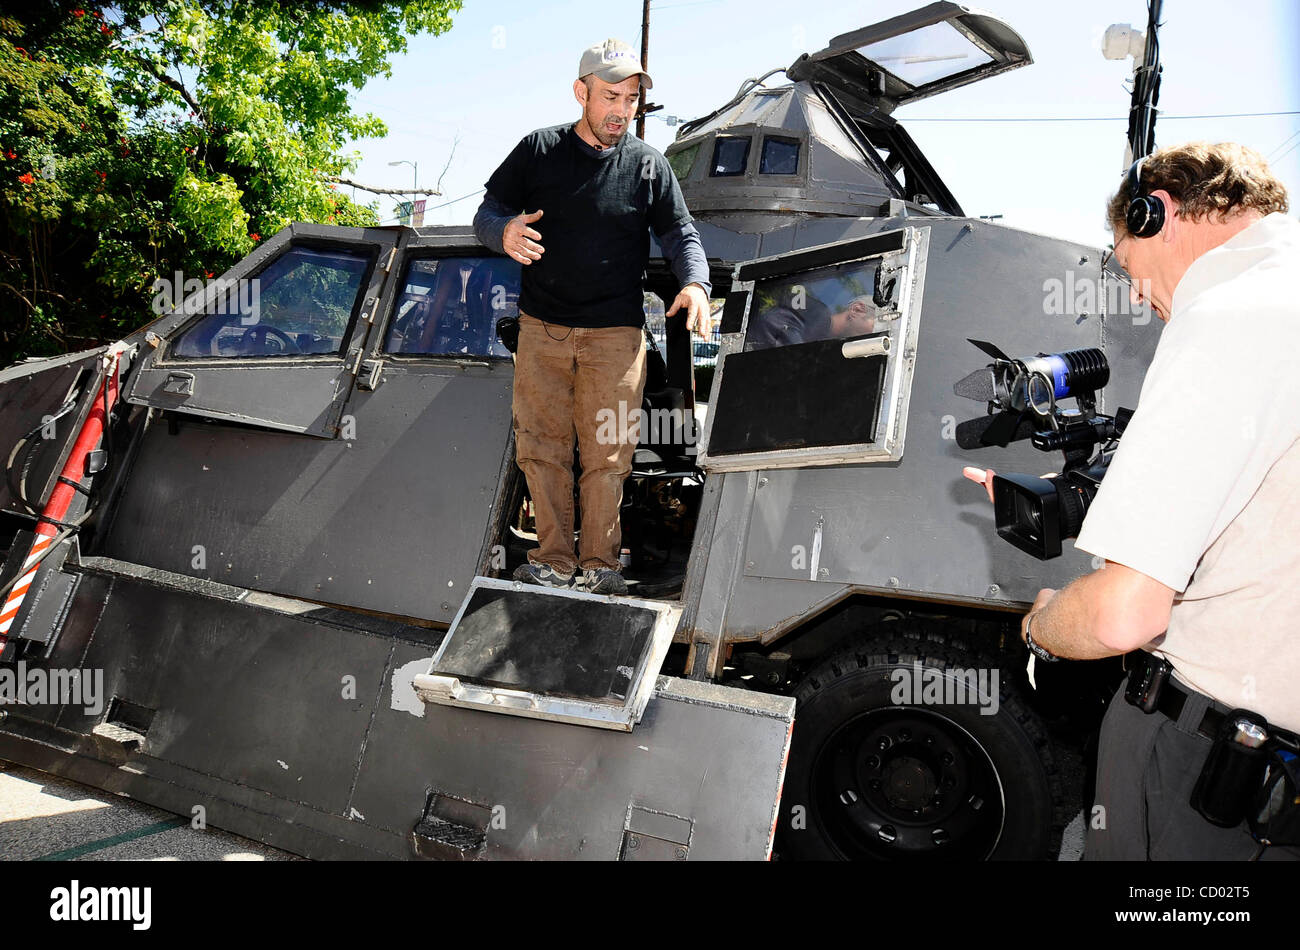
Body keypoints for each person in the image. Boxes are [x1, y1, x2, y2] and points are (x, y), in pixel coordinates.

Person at [966, 141, 1298, 860]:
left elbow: (1126, 615)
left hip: (1203, 774)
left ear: (1159, 213)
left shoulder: (1223, 318)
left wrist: (1044, 625)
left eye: (1125, 263)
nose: (1138, 295)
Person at [473, 38, 712, 595]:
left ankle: (601, 567)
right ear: (581, 92)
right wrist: (502, 232)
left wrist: (696, 282)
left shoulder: (648, 165)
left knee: (608, 456)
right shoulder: (538, 150)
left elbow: (680, 232)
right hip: (542, 331)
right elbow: (486, 214)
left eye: (631, 99)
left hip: (615, 337)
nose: (621, 111)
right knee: (543, 446)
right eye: (611, 96)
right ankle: (554, 560)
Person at [749, 282, 877, 349]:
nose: (877, 334)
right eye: (878, 324)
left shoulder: (830, 344)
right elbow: (768, 324)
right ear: (857, 309)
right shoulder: (809, 314)